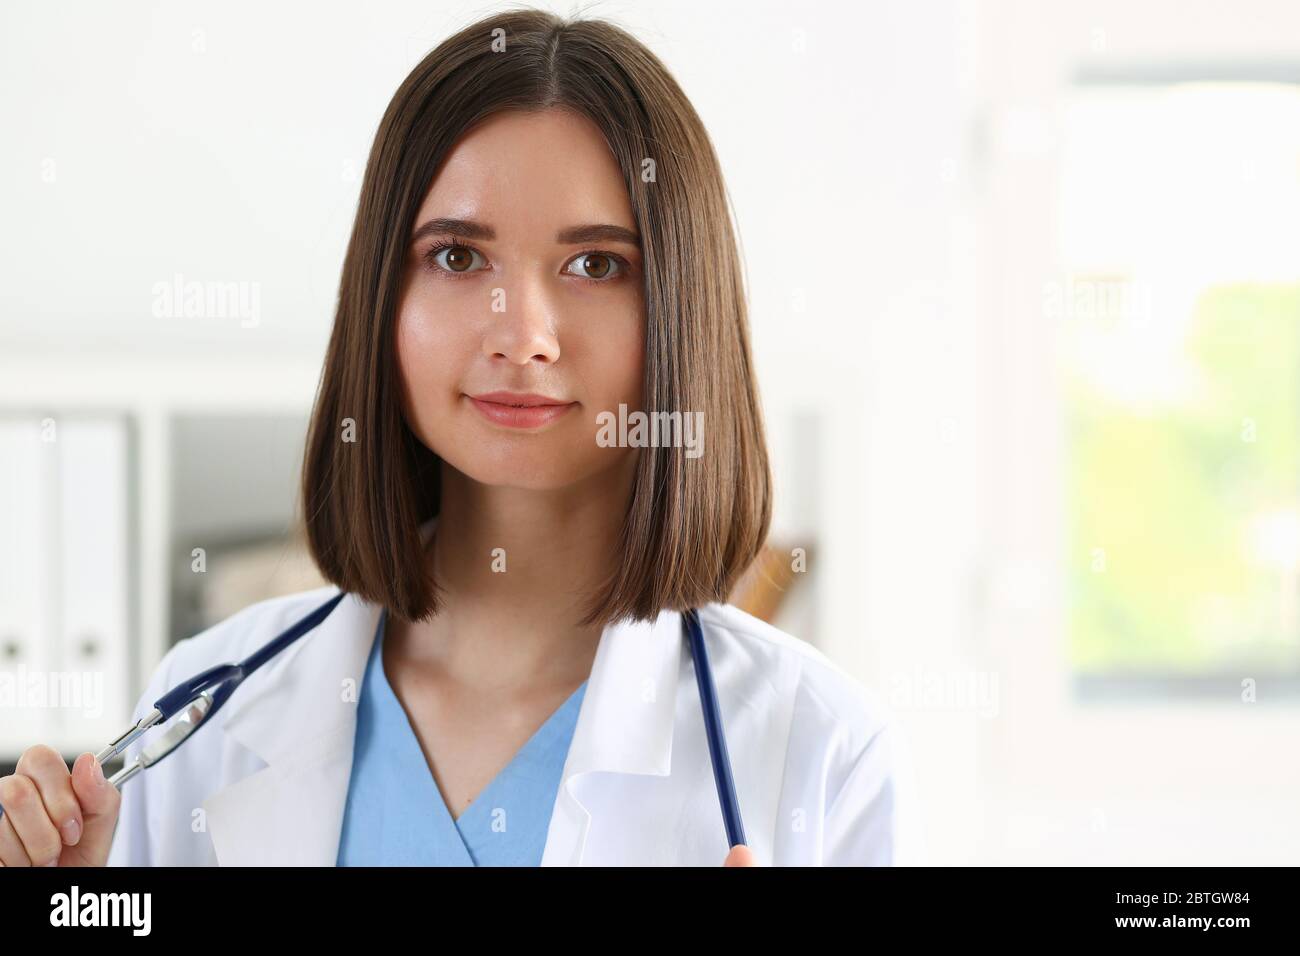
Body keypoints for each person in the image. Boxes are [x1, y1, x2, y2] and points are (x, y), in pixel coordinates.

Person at [0, 7, 922, 867]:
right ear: (383, 299)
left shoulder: (819, 752)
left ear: (683, 310)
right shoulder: (205, 714)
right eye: (456, 256)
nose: (520, 330)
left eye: (596, 264)